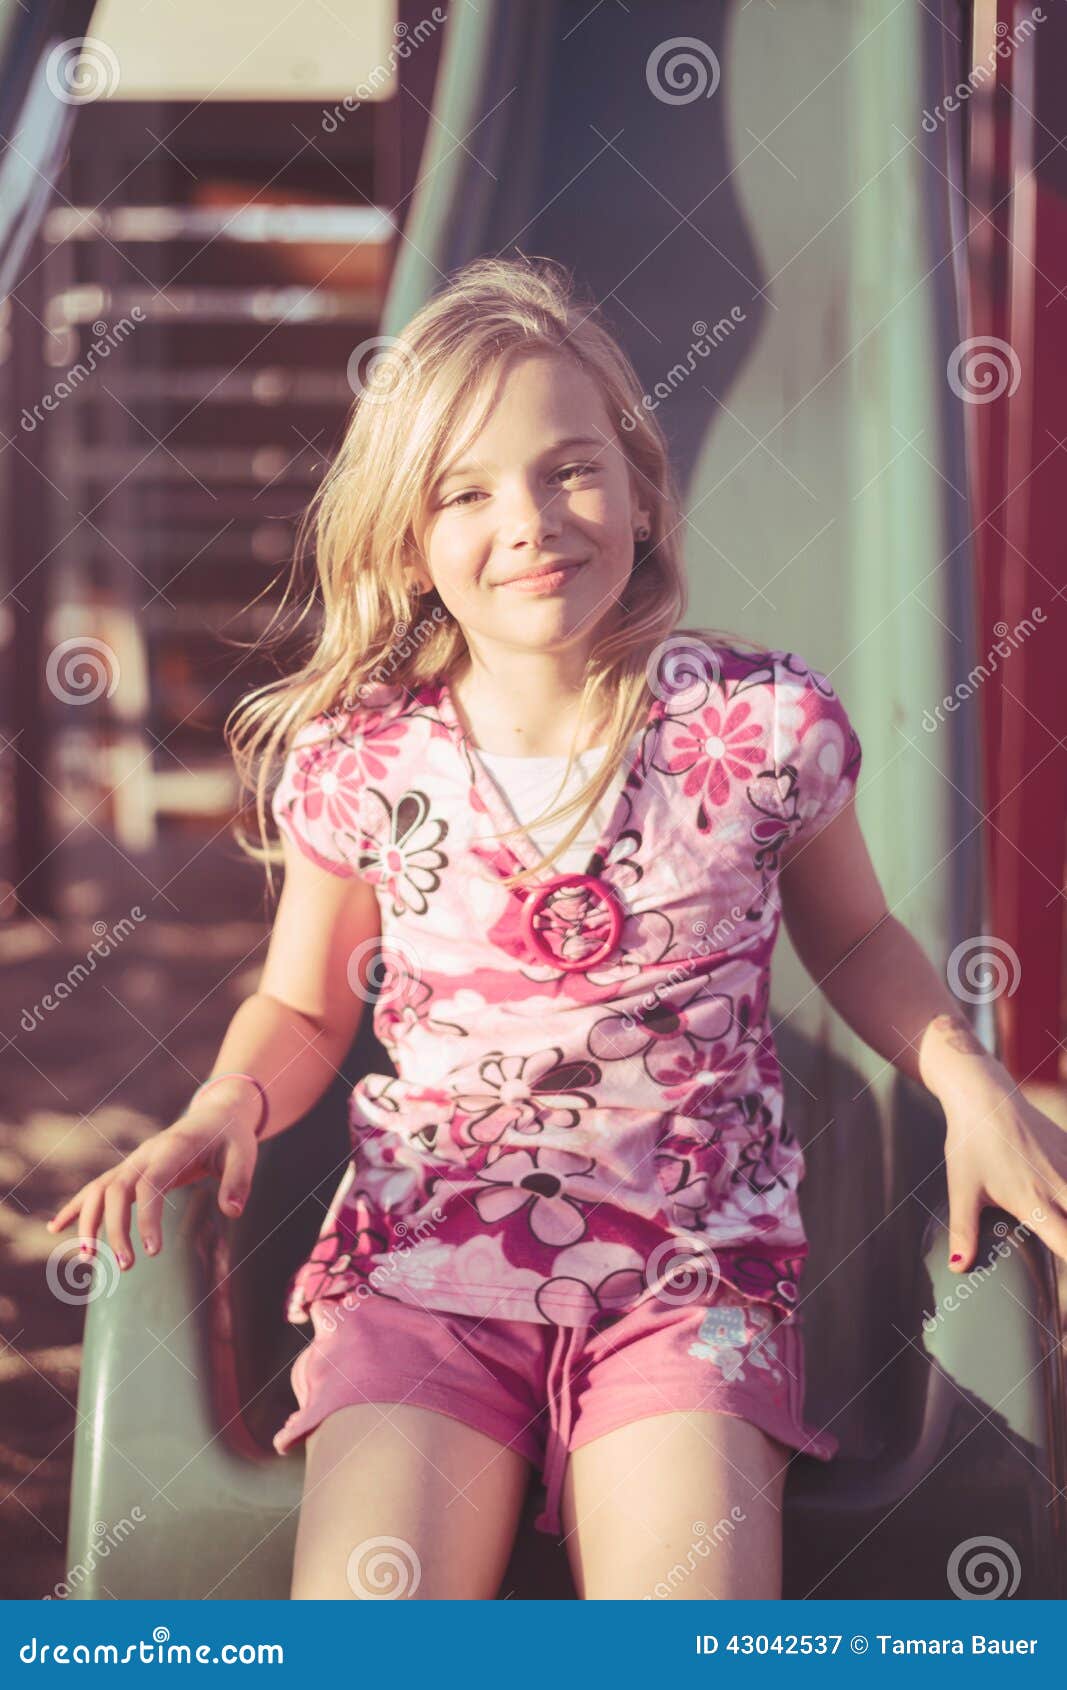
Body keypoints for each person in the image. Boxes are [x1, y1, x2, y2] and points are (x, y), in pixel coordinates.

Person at [46, 255, 1067, 1602]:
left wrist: (967, 1075)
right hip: (425, 1264)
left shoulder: (754, 728)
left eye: (569, 468)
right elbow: (303, 1007)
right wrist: (226, 1100)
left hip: (687, 1269)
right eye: (464, 492)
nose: (527, 519)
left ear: (643, 489)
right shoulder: (369, 761)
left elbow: (860, 938)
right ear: (411, 542)